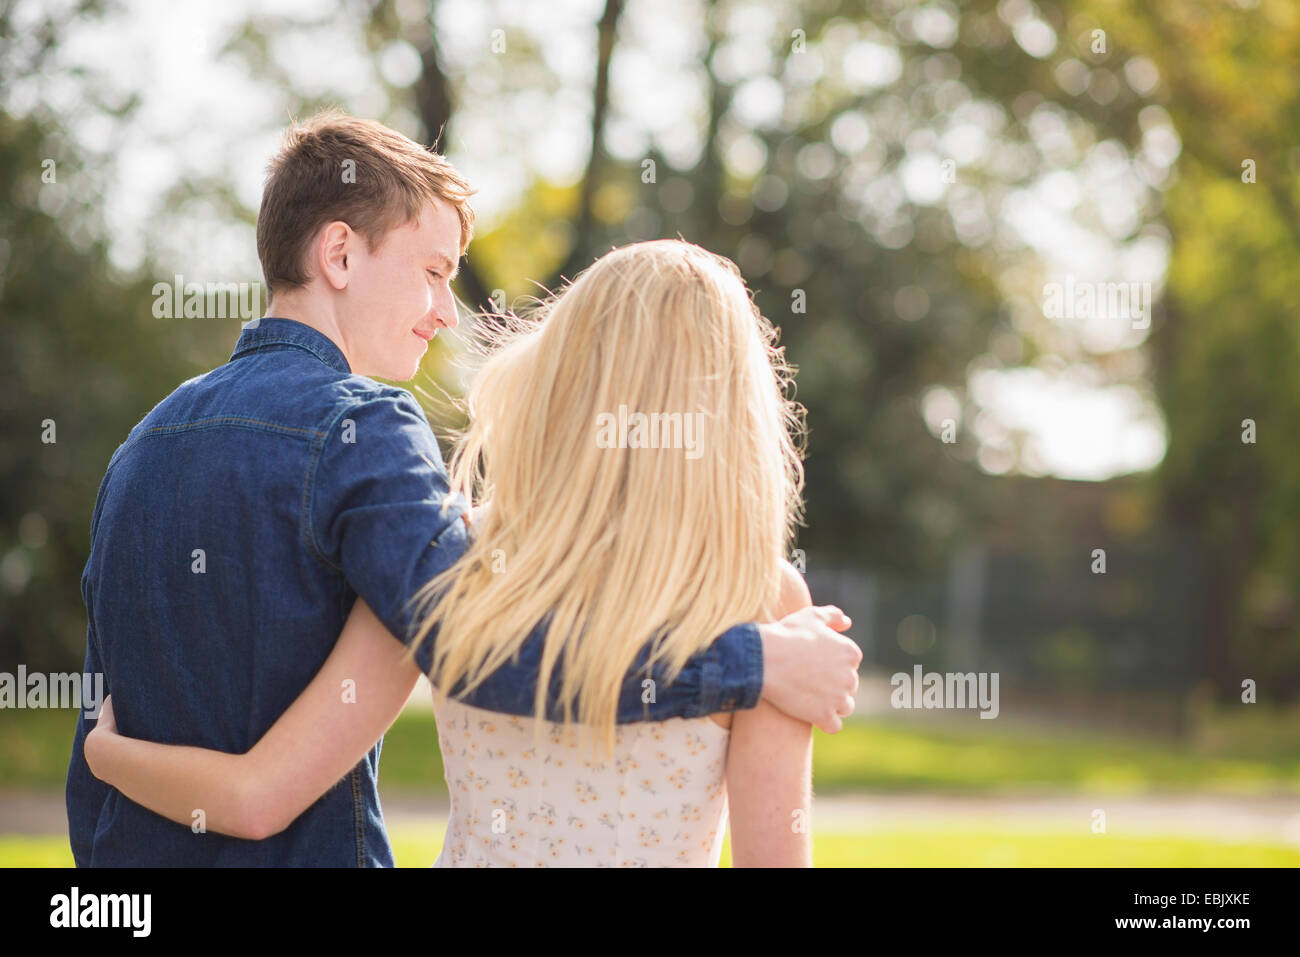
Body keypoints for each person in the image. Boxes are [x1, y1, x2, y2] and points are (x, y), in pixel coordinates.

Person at [68, 111, 860, 867]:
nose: (448, 310)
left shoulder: (143, 443)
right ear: (338, 255)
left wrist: (105, 758)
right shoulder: (369, 435)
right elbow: (475, 650)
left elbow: (156, 718)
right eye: (435, 272)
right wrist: (749, 659)